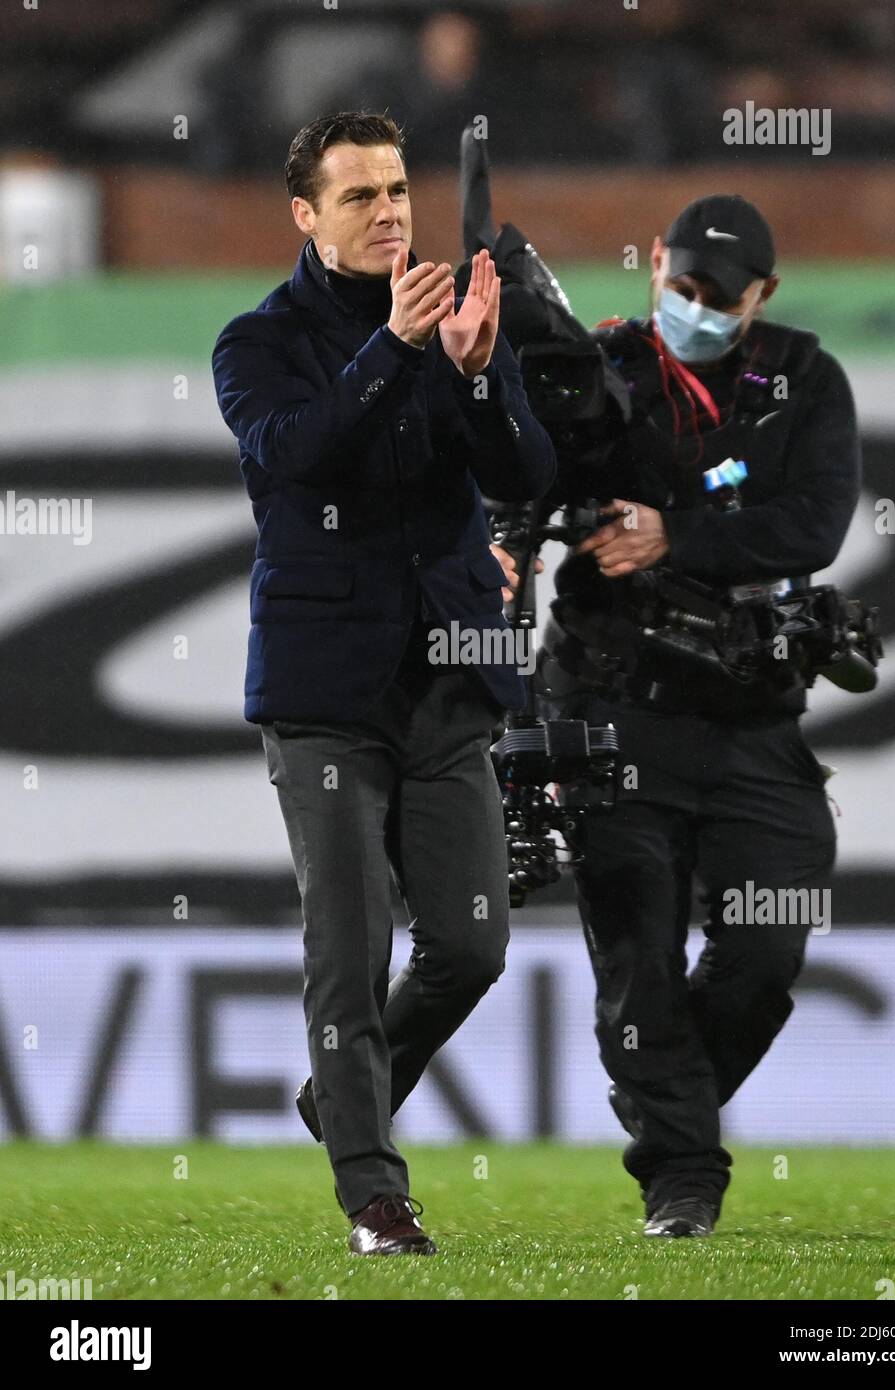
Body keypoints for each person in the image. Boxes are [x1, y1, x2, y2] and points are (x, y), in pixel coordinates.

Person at [211, 112, 555, 1255]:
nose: (391, 212)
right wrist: (395, 355)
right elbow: (293, 455)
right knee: (348, 946)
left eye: (398, 190)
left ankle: (338, 1100)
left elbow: (523, 472)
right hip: (324, 692)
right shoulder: (256, 342)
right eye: (359, 196)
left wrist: (471, 377)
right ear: (304, 216)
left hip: (451, 680)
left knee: (470, 945)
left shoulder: (460, 314)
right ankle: (374, 1194)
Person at [537, 194, 860, 1237]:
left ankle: (659, 1102)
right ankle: (680, 1175)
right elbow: (525, 480)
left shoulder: (803, 379)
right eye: (678, 285)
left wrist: (674, 534)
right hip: (611, 705)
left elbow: (813, 524)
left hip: (753, 714)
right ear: (653, 273)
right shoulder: (601, 370)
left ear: (762, 297)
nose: (694, 307)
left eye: (719, 297)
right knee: (636, 955)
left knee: (766, 949)